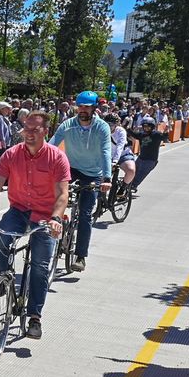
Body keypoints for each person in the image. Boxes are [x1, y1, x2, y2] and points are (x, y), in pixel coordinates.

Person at [0, 111, 71, 339]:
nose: (28, 133)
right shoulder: (11, 154)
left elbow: (62, 194)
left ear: (45, 131)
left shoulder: (57, 157)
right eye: (26, 129)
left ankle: (34, 317)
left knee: (40, 267)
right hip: (19, 210)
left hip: (46, 215)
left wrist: (56, 219)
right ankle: (6, 275)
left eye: (34, 130)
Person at [49, 90, 112, 272]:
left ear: (94, 108)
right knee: (52, 203)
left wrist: (107, 177)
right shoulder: (68, 124)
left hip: (92, 173)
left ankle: (80, 256)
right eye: (80, 106)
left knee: (85, 214)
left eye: (87, 107)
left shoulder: (102, 127)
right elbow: (52, 145)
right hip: (71, 169)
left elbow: (106, 151)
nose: (83, 110)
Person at [126, 116, 164, 191]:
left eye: (148, 126)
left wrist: (166, 132)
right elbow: (134, 134)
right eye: (144, 126)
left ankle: (133, 186)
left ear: (152, 126)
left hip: (150, 160)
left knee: (139, 176)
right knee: (132, 173)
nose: (146, 128)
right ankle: (127, 186)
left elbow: (164, 137)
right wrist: (128, 128)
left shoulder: (156, 134)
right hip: (141, 158)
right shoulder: (142, 134)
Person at [105, 113, 137, 188]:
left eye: (111, 124)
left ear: (116, 125)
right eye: (107, 124)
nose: (109, 126)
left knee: (131, 170)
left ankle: (123, 188)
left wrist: (115, 161)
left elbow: (120, 147)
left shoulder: (121, 131)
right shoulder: (101, 130)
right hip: (107, 156)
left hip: (123, 155)